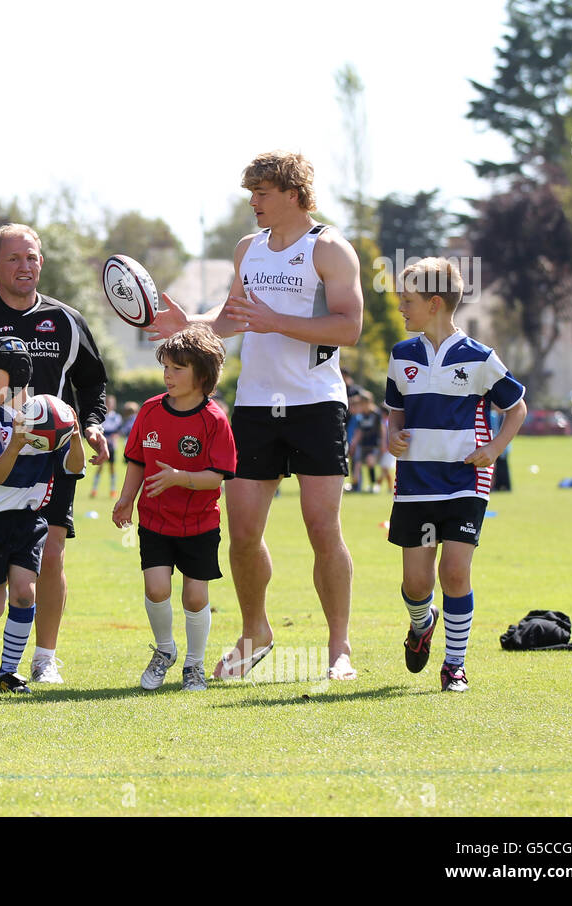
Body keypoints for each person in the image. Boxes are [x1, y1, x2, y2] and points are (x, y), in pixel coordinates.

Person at [146, 151, 363, 681]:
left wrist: (276, 320)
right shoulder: (250, 249)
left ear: (292, 193)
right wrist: (189, 322)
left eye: (261, 194)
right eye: (251, 193)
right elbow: (232, 320)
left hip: (317, 404)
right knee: (241, 533)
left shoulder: (330, 248)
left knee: (321, 527)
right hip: (256, 407)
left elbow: (349, 327)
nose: (253, 204)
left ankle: (339, 648)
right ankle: (255, 632)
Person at [0, 224, 110, 684]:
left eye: (31, 257)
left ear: (42, 262)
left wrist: (90, 425)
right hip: (2, 454)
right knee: (0, 585)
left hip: (54, 455)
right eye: (13, 259)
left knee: (50, 556)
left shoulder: (67, 320)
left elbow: (93, 382)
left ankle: (43, 658)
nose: (24, 266)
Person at [385, 257, 526, 692]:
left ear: (433, 303)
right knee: (416, 582)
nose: (401, 309)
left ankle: (455, 667)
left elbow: (516, 407)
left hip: (466, 482)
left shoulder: (480, 358)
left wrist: (494, 448)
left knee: (455, 573)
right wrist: (393, 437)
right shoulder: (401, 355)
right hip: (415, 484)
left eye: (407, 301)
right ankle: (422, 620)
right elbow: (395, 415)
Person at [0, 337, 86, 693]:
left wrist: (73, 436)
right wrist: (16, 442)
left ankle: (8, 673)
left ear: (17, 376)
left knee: (25, 595)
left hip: (29, 520)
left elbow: (74, 469)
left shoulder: (49, 414)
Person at [113, 325, 237, 691]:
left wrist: (179, 477)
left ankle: (194, 666)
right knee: (155, 589)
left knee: (195, 596)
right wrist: (125, 499)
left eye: (177, 368)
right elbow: (136, 460)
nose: (168, 375)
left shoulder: (214, 419)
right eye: (165, 367)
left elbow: (217, 477)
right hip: (154, 521)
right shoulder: (150, 410)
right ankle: (165, 651)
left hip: (200, 524)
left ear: (202, 374)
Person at [91, 395, 123, 498]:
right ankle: (94, 490)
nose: (109, 405)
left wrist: (113, 440)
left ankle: (113, 490)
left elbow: (118, 431)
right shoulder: (101, 416)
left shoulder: (117, 417)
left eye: (111, 403)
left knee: (112, 468)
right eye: (108, 403)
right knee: (100, 466)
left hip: (111, 445)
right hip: (102, 443)